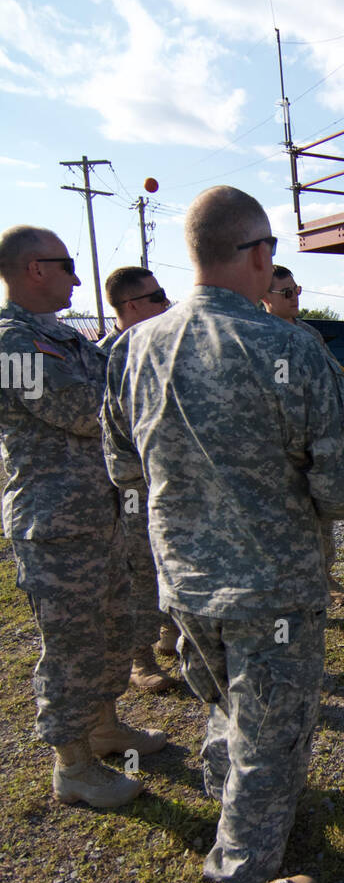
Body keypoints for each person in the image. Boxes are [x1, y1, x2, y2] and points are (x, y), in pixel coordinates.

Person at [102, 187, 344, 883]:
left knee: (227, 706)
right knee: (272, 736)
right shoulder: (290, 350)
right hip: (273, 586)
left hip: (183, 581)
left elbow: (124, 467)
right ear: (258, 255)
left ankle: (237, 805)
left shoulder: (133, 348)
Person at [0, 227, 165, 811]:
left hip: (101, 516)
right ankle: (72, 766)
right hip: (56, 526)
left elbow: (113, 387)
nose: (76, 276)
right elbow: (78, 410)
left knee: (111, 626)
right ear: (33, 268)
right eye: (66, 264)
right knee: (70, 644)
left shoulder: (62, 337)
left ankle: (104, 727)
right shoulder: (12, 344)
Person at [263, 265, 344, 608]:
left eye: (297, 289)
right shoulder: (264, 337)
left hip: (318, 443)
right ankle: (290, 593)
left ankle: (325, 578)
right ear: (265, 297)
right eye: (285, 292)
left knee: (322, 517)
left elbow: (334, 378)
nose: (294, 298)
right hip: (285, 448)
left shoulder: (308, 333)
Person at [101, 267, 175, 693]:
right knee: (139, 566)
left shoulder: (163, 348)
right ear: (131, 305)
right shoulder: (106, 356)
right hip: (130, 484)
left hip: (165, 476)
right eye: (157, 296)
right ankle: (140, 657)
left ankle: (169, 634)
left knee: (170, 557)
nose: (166, 303)